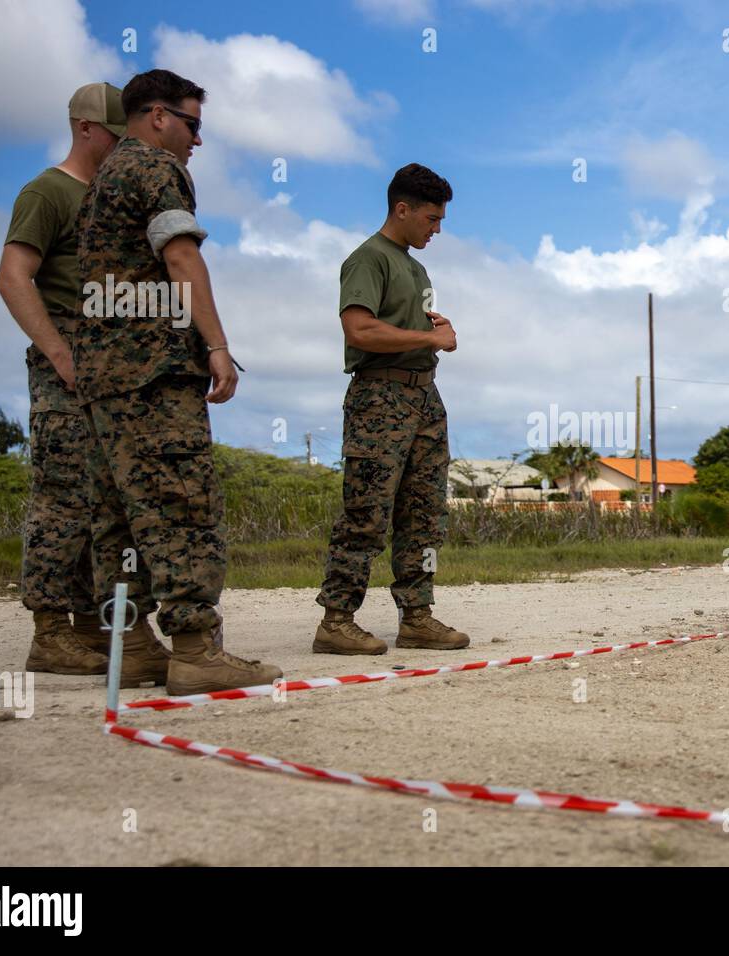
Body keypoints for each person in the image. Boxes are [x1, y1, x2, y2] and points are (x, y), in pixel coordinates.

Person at [75, 69, 282, 692]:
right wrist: (216, 344)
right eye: (192, 124)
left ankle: (133, 645)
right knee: (181, 504)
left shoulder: (105, 177)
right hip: (153, 371)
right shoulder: (154, 170)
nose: (197, 140)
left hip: (105, 375)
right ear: (158, 116)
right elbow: (181, 254)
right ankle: (195, 649)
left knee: (118, 512)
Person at [312, 163, 469, 655]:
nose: (437, 229)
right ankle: (336, 620)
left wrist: (434, 332)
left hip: (423, 397)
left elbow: (402, 327)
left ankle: (417, 616)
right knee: (366, 513)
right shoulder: (368, 259)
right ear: (401, 209)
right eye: (430, 218)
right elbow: (359, 330)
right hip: (380, 398)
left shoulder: (415, 267)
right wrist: (429, 337)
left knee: (424, 515)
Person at [0, 82, 126, 675]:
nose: (121, 147)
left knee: (104, 500)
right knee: (63, 495)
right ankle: (48, 632)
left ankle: (85, 626)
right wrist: (59, 354)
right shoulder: (47, 191)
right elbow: (12, 277)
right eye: (113, 136)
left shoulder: (110, 197)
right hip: (67, 361)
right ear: (84, 128)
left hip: (110, 363)